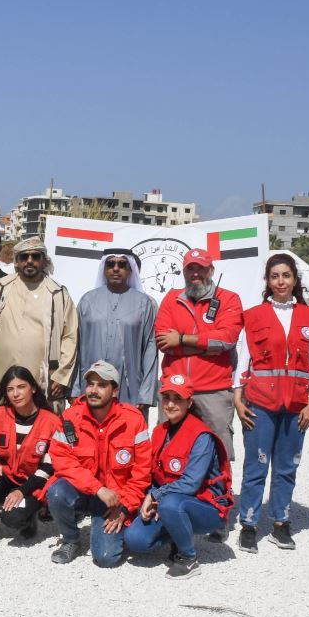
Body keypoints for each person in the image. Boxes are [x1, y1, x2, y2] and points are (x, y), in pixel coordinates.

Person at [232, 253, 309, 553]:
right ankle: (248, 524)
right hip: (260, 401)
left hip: (296, 403)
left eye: (286, 275)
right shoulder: (254, 315)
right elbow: (244, 357)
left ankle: (280, 523)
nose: (280, 282)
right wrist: (237, 395)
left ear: (295, 279)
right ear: (267, 281)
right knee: (256, 465)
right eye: (275, 276)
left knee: (286, 467)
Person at [124, 374, 233, 579]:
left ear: (189, 402)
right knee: (135, 540)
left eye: (178, 399)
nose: (171, 404)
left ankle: (188, 557)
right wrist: (149, 496)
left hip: (206, 507)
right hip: (170, 501)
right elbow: (150, 474)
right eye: (167, 397)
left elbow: (191, 484)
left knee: (170, 504)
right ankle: (177, 534)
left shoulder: (202, 436)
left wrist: (157, 497)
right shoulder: (158, 432)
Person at [46, 361, 153, 567]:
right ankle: (70, 539)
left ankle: (114, 527)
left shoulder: (134, 420)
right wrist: (98, 488)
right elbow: (62, 462)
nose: (93, 390)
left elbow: (142, 472)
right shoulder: (69, 418)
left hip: (114, 498)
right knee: (56, 492)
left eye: (102, 385)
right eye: (90, 384)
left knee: (106, 558)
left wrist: (124, 508)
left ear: (115, 391)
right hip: (84, 491)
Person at [155, 248, 244, 463]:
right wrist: (207, 346)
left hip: (213, 391)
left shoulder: (229, 299)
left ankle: (218, 494)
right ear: (184, 272)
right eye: (190, 268)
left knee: (217, 452)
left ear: (211, 270)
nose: (196, 273)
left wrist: (182, 339)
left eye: (201, 268)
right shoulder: (171, 299)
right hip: (173, 391)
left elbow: (226, 340)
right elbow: (163, 341)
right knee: (168, 450)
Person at [0, 237, 79, 406]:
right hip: (0, 378)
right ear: (17, 261)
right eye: (24, 257)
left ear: (44, 261)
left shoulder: (58, 294)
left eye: (35, 256)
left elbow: (70, 337)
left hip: (43, 382)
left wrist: (61, 376)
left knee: (41, 428)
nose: (29, 261)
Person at [0, 366, 59, 547]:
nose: (16, 394)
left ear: (33, 388)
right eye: (10, 389)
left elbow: (49, 467)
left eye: (21, 387)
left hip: (34, 484)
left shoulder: (51, 422)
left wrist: (22, 491)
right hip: (7, 476)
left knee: (12, 518)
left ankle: (29, 518)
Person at [77, 249, 159, 412]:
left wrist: (146, 394)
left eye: (122, 264)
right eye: (110, 264)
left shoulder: (144, 303)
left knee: (127, 433)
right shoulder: (87, 300)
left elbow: (150, 348)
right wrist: (74, 389)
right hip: (92, 387)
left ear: (130, 270)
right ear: (104, 268)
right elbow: (75, 346)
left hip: (130, 390)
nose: (115, 268)